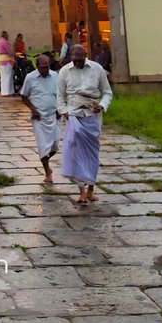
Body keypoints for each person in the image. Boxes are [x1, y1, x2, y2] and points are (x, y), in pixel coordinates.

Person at [57, 43, 112, 205]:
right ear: (71, 58)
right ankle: (81, 190)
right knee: (74, 149)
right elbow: (59, 95)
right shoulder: (65, 71)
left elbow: (107, 92)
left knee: (92, 152)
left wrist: (102, 105)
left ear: (85, 56)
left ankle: (91, 190)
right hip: (73, 114)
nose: (77, 62)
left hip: (92, 115)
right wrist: (64, 111)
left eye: (80, 59)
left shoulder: (97, 69)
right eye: (74, 59)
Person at [19, 53, 60, 183]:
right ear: (37, 66)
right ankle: (47, 171)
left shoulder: (55, 76)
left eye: (47, 67)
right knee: (43, 147)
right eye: (42, 67)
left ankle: (48, 162)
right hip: (39, 118)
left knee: (54, 145)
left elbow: (61, 94)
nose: (45, 70)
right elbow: (24, 96)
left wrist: (60, 108)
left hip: (54, 115)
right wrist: (33, 109)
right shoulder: (30, 78)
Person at [0, 31, 14, 97]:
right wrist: (13, 54)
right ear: (5, 36)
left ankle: (5, 92)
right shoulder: (5, 42)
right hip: (7, 61)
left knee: (3, 76)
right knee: (8, 76)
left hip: (1, 60)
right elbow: (10, 52)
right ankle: (7, 92)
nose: (8, 36)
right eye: (7, 35)